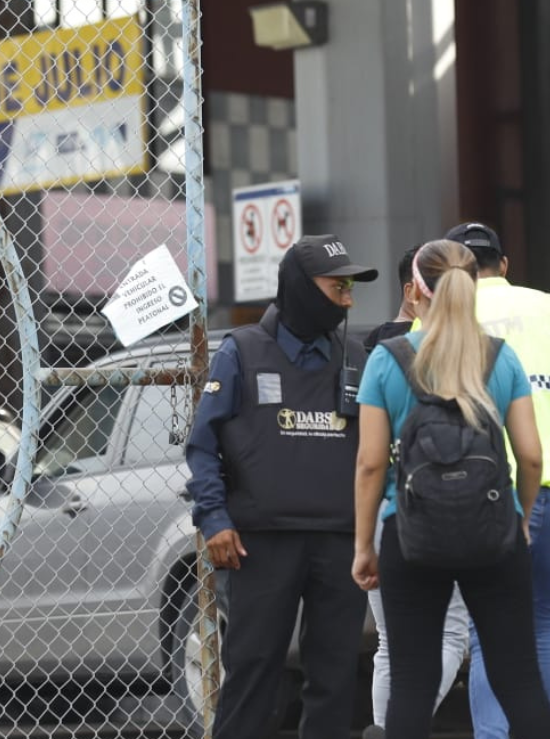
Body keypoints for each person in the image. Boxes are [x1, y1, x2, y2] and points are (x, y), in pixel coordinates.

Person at [351, 239, 550, 739]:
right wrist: (521, 518)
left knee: (412, 683)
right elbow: (531, 454)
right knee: (519, 680)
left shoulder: (388, 359)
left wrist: (363, 545)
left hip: (410, 532)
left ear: (415, 292)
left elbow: (370, 464)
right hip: (495, 531)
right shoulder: (501, 358)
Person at [185, 234, 378, 739]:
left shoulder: (356, 356)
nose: (348, 301)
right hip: (261, 543)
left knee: (336, 677)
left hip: (340, 541)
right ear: (302, 287)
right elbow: (202, 447)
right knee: (254, 672)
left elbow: (377, 449)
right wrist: (214, 519)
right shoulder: (242, 352)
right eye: (338, 288)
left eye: (350, 289)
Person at [444, 222, 550, 739]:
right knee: (546, 625)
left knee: (488, 630)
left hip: (487, 494)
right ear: (504, 264)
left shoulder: (447, 314)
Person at [361, 244, 470, 739]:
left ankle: (390, 729)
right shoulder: (476, 350)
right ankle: (403, 729)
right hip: (459, 508)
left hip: (391, 510)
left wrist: (361, 539)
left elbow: (368, 458)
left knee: (391, 642)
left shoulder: (378, 353)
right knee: (450, 633)